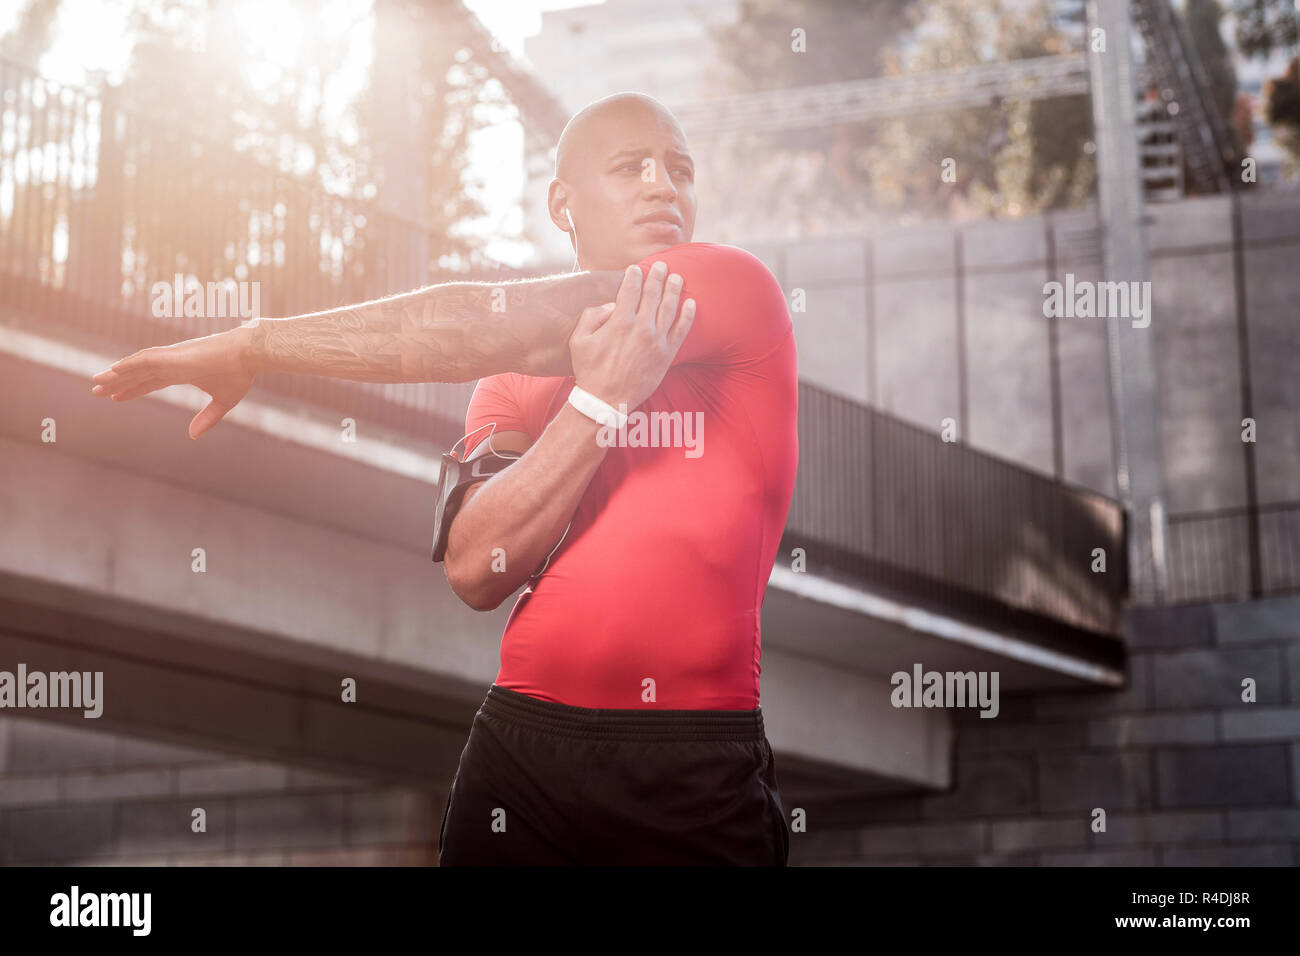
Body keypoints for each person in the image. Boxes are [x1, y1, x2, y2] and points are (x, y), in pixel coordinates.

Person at [90, 91, 797, 866]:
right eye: (632, 167)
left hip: (695, 771)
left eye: (680, 170)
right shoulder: (511, 380)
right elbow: (474, 567)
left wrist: (259, 344)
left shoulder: (735, 292)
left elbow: (486, 324)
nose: (664, 186)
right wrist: (597, 402)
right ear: (563, 204)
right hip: (523, 758)